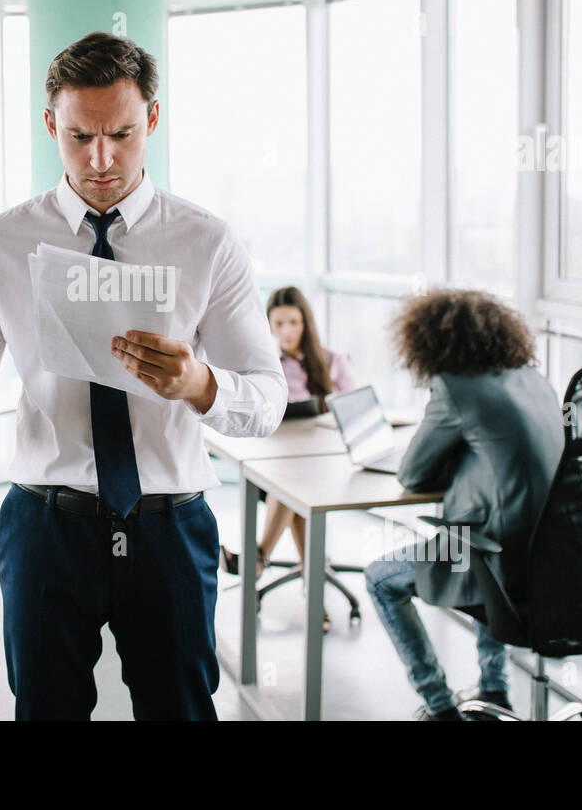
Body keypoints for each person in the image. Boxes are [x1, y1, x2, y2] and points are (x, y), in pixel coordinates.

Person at [0, 31, 286, 720]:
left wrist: (199, 385)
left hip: (169, 524)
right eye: (78, 135)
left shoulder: (208, 242)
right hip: (44, 524)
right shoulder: (0, 243)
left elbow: (267, 400)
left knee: (180, 710)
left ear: (152, 118)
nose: (100, 159)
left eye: (120, 133)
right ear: (49, 126)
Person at [364, 288, 563, 720]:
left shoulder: (455, 387)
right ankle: (495, 688)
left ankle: (439, 705)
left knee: (382, 577)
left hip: (497, 555)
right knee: (483, 548)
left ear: (428, 344)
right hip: (558, 555)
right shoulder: (533, 380)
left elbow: (413, 474)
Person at [220, 285, 357, 632]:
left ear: (306, 324)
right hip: (282, 468)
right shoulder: (264, 366)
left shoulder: (331, 362)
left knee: (294, 489)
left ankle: (258, 556)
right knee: (294, 490)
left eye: (293, 322)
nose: (286, 331)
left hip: (328, 468)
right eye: (278, 323)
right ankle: (314, 596)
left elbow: (354, 412)